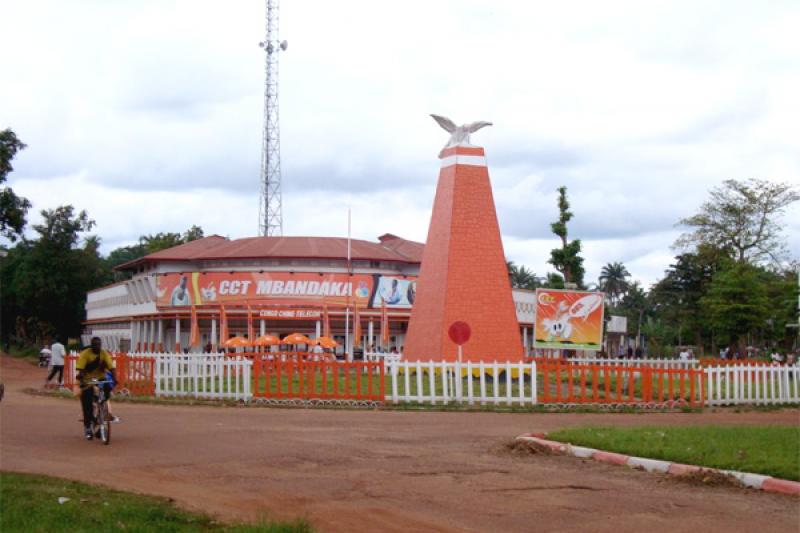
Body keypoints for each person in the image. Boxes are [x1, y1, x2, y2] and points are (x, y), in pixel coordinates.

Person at [76, 337, 118, 440]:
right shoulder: (85, 354)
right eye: (95, 345)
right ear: (91, 345)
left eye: (99, 345)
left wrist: (115, 378)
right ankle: (88, 428)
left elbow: (111, 367)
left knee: (107, 392)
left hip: (100, 379)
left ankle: (102, 414)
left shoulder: (103, 353)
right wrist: (81, 378)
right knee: (87, 403)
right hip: (88, 380)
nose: (97, 347)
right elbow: (81, 369)